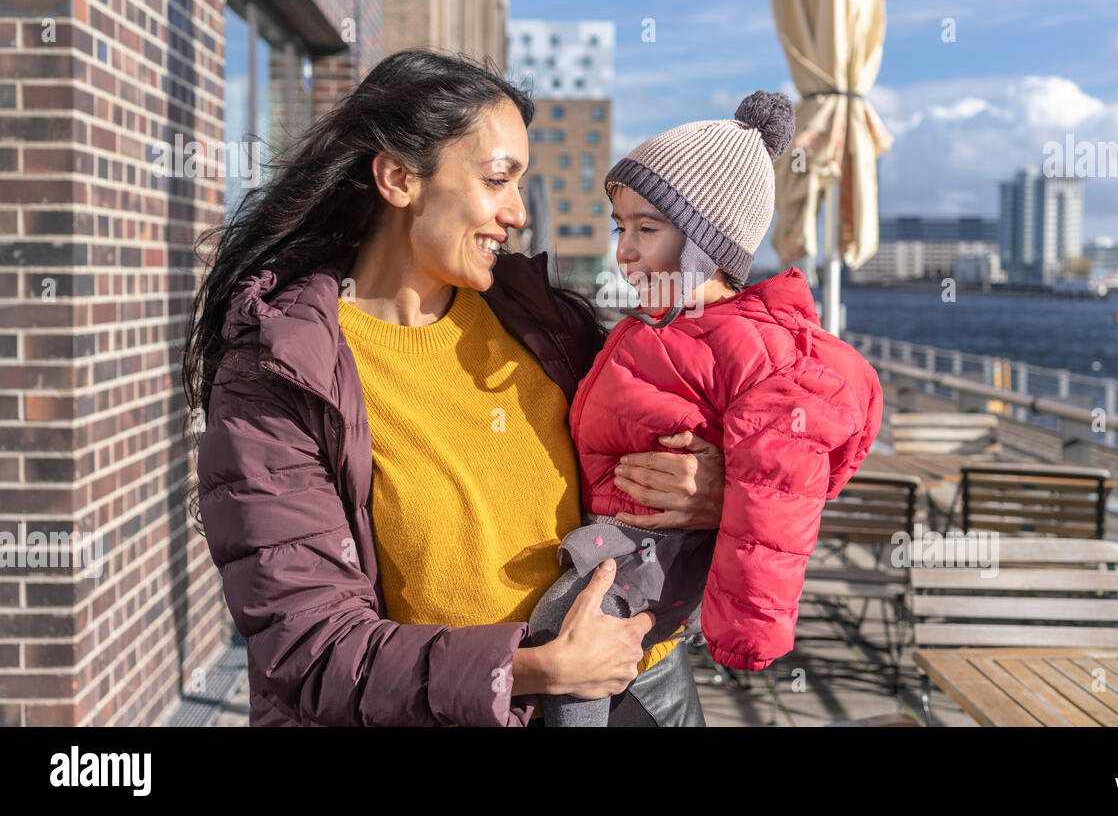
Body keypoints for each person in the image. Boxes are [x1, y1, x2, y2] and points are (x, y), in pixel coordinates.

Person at [181, 49, 727, 726]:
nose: (518, 213)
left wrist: (711, 487)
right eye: (497, 180)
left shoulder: (545, 326)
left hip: (646, 693)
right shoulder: (282, 375)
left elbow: (662, 448)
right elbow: (311, 648)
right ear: (399, 178)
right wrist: (530, 670)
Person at [528, 91, 884, 726]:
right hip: (626, 539)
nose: (623, 250)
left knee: (563, 629)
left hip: (657, 552)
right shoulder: (664, 326)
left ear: (704, 243)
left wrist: (746, 629)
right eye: (620, 226)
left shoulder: (749, 345)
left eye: (646, 229)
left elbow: (778, 486)